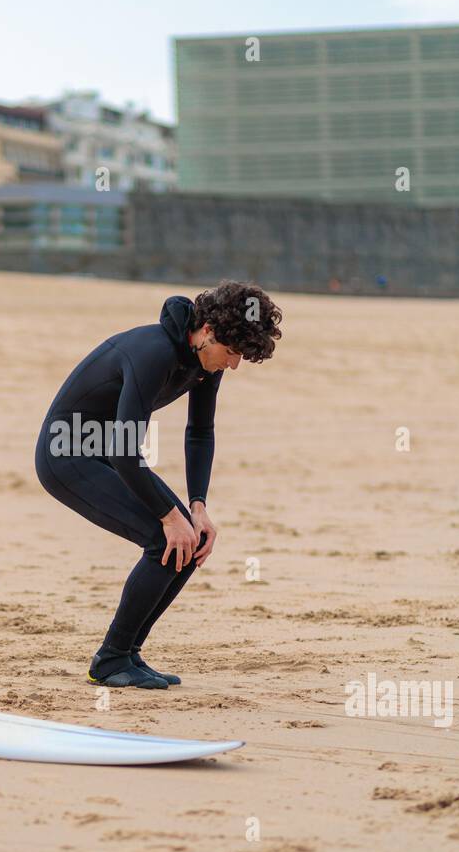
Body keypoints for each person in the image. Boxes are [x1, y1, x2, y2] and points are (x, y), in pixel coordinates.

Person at [35, 279, 282, 688]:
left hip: (108, 453)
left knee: (190, 539)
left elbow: (200, 431)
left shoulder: (203, 361)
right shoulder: (154, 353)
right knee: (163, 537)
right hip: (67, 455)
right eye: (232, 353)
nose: (234, 364)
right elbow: (125, 452)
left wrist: (197, 507)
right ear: (208, 331)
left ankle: (127, 654)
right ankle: (111, 659)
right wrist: (170, 517)